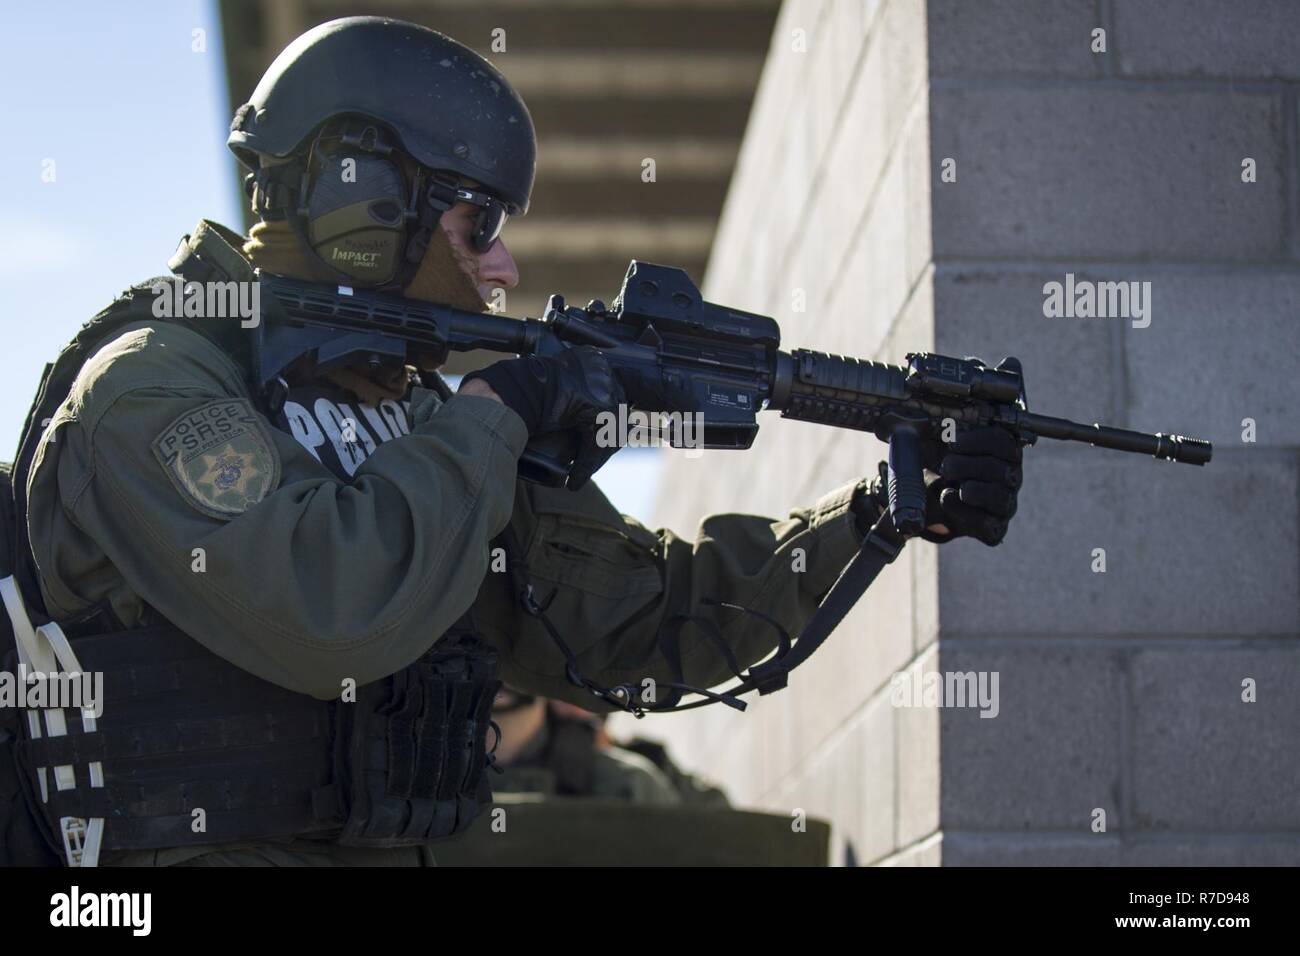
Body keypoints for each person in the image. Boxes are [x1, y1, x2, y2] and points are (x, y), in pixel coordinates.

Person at [4, 16, 1022, 867]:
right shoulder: (151, 385)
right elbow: (329, 607)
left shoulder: (416, 419)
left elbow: (631, 627)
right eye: (477, 220)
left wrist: (873, 514)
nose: (502, 263)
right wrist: (496, 411)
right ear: (365, 197)